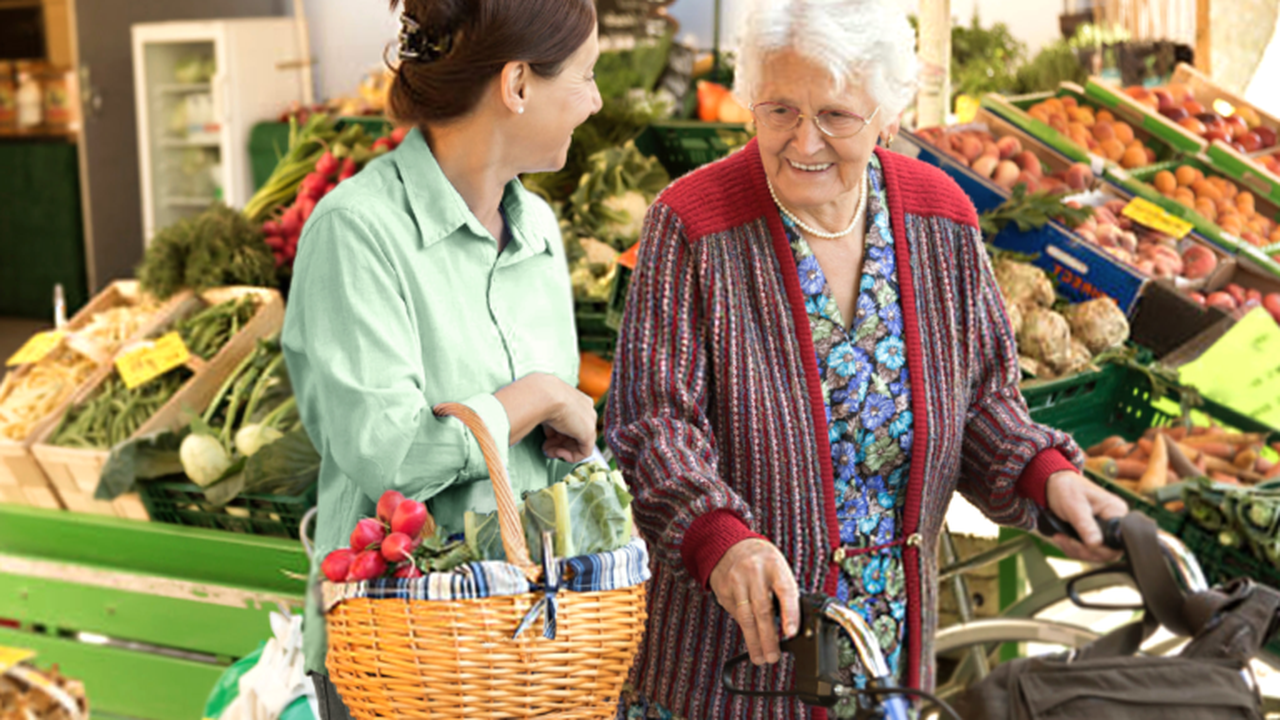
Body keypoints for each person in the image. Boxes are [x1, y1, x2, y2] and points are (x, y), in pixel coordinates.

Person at [605, 1, 1128, 718]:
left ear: (887, 113)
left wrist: (1046, 476)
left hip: (885, 658)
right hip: (730, 673)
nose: (803, 140)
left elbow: (982, 400)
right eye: (780, 110)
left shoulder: (939, 217)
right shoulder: (694, 223)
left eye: (836, 116)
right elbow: (654, 423)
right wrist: (719, 540)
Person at [281, 1, 603, 717]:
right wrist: (539, 396)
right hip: (404, 657)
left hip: (526, 652)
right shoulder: (356, 231)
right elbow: (393, 457)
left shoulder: (538, 230)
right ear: (517, 84)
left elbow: (547, 461)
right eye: (585, 76)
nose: (596, 101)